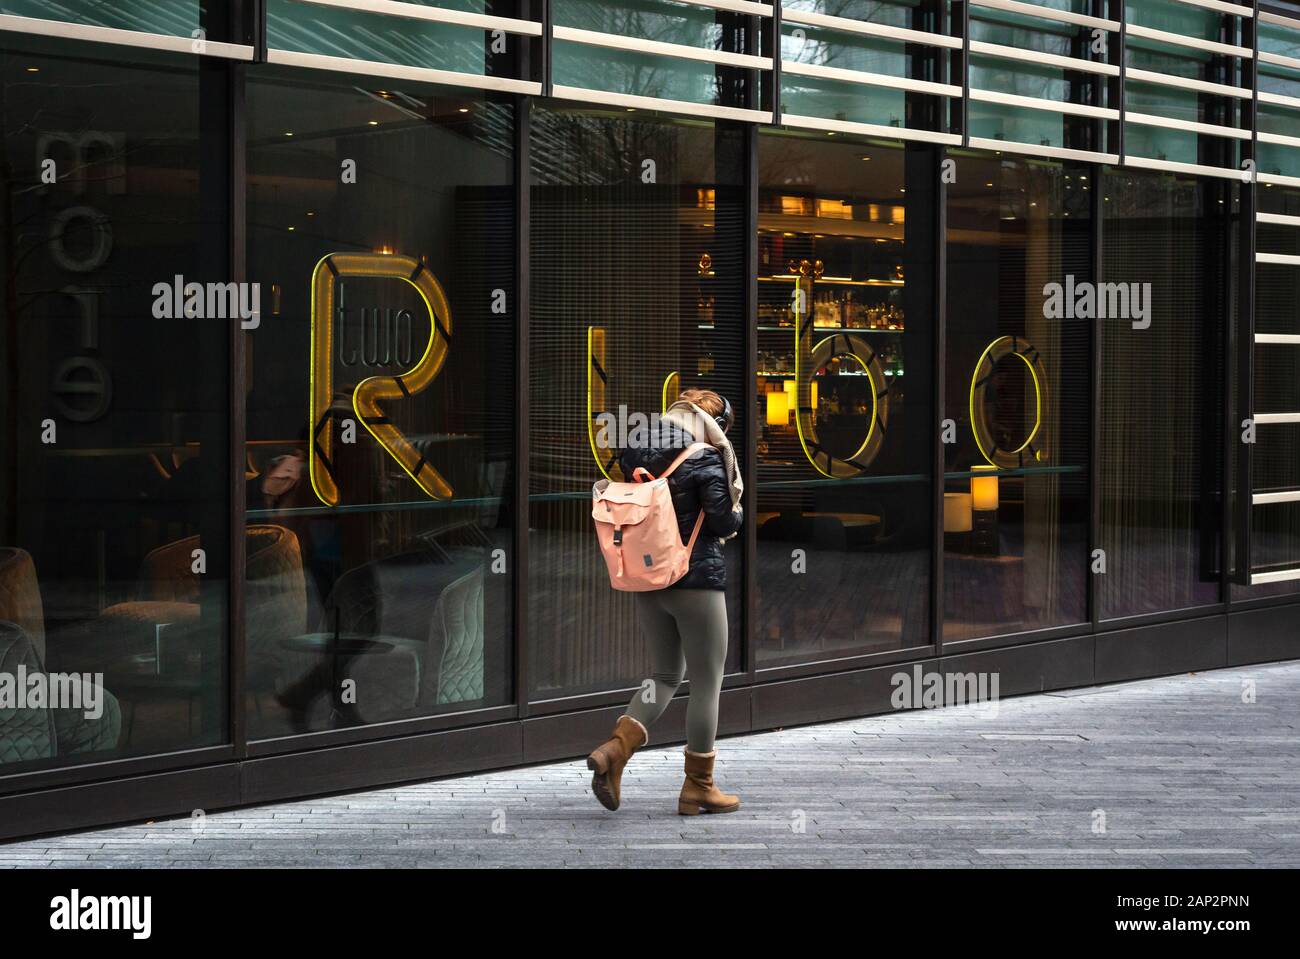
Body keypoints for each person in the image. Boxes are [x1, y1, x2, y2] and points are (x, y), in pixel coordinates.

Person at [587, 388, 744, 815]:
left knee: (662, 675)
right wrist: (740, 511)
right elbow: (723, 520)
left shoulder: (635, 450)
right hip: (696, 582)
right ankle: (699, 786)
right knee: (707, 683)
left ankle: (615, 750)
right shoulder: (706, 458)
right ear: (716, 423)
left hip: (648, 578)